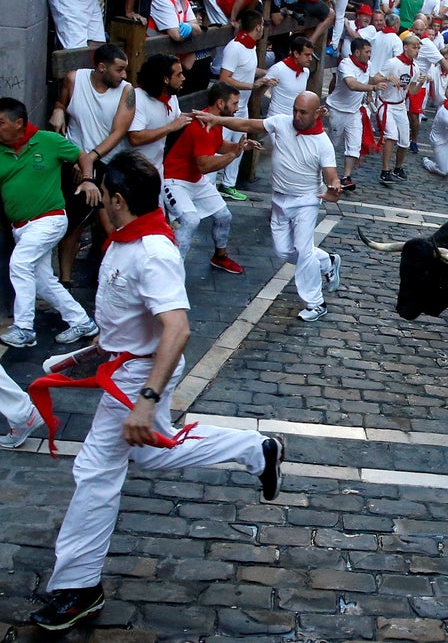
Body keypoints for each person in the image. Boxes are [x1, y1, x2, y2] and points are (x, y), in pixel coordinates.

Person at [29, 150, 284, 632]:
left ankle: (78, 587)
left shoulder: (153, 253)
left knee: (95, 472)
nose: (99, 201)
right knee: (149, 454)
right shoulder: (129, 240)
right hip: (130, 366)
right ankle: (257, 448)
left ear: (119, 200)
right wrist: (88, 353)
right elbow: (131, 318)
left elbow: (177, 329)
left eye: (103, 195)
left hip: (139, 376)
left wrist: (145, 399)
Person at [195, 92, 343, 322]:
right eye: (295, 109)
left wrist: (334, 188)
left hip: (307, 200)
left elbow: (331, 175)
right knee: (283, 251)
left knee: (304, 251)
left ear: (316, 114)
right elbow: (247, 123)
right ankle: (328, 261)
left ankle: (316, 303)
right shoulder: (282, 122)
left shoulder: (323, 142)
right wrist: (217, 120)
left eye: (302, 112)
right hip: (280, 199)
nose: (296, 115)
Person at [0, 98, 101, 348]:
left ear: (19, 123)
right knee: (42, 280)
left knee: (20, 263)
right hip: (21, 227)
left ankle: (24, 328)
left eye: (1, 122)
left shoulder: (48, 140)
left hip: (49, 219)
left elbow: (82, 155)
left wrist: (88, 179)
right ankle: (82, 322)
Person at [51, 43, 135, 283]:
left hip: (105, 161)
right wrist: (58, 108)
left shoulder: (127, 92)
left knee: (110, 224)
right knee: (73, 225)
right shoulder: (74, 80)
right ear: (100, 67)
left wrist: (90, 158)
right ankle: (65, 281)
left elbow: (118, 133)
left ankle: (116, 279)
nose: (124, 75)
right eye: (119, 70)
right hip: (74, 160)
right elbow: (62, 103)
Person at [161, 82, 259, 271]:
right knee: (191, 220)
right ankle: (173, 271)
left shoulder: (215, 121)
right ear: (221, 103)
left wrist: (237, 147)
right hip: (174, 181)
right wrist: (233, 155)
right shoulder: (202, 126)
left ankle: (220, 257)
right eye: (235, 104)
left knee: (224, 216)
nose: (237, 108)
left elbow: (217, 145)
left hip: (194, 180)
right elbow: (204, 165)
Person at [217, 9, 276, 201]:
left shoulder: (249, 47)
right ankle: (208, 184)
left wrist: (264, 74)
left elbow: (248, 68)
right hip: (227, 107)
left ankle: (228, 184)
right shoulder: (235, 47)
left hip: (241, 106)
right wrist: (251, 85)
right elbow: (225, 78)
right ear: (258, 27)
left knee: (239, 145)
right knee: (219, 145)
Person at [327, 38, 388, 188]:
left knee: (354, 145)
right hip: (337, 110)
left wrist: (370, 93)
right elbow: (351, 84)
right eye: (367, 52)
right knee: (332, 143)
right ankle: (323, 170)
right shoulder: (345, 64)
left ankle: (346, 177)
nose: (369, 55)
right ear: (357, 52)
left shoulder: (368, 65)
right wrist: (373, 88)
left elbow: (369, 79)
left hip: (354, 111)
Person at [128, 55, 191, 175]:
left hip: (156, 168)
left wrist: (197, 116)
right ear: (165, 79)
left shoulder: (171, 96)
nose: (183, 78)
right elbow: (135, 137)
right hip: (134, 171)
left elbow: (177, 117)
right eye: (178, 74)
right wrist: (170, 128)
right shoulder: (138, 98)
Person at [379, 35, 424, 182]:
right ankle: (385, 170)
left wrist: (420, 84)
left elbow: (412, 91)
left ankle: (398, 168)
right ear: (406, 47)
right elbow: (374, 79)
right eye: (414, 47)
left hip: (400, 105)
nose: (416, 51)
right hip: (386, 104)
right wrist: (387, 78)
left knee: (405, 140)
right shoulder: (393, 63)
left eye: (418, 48)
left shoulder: (415, 69)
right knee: (391, 135)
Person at [266, 36, 316, 118]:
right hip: (276, 118)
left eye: (311, 55)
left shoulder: (306, 72)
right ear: (296, 54)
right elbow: (260, 91)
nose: (310, 58)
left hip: (295, 119)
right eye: (307, 55)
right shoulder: (278, 68)